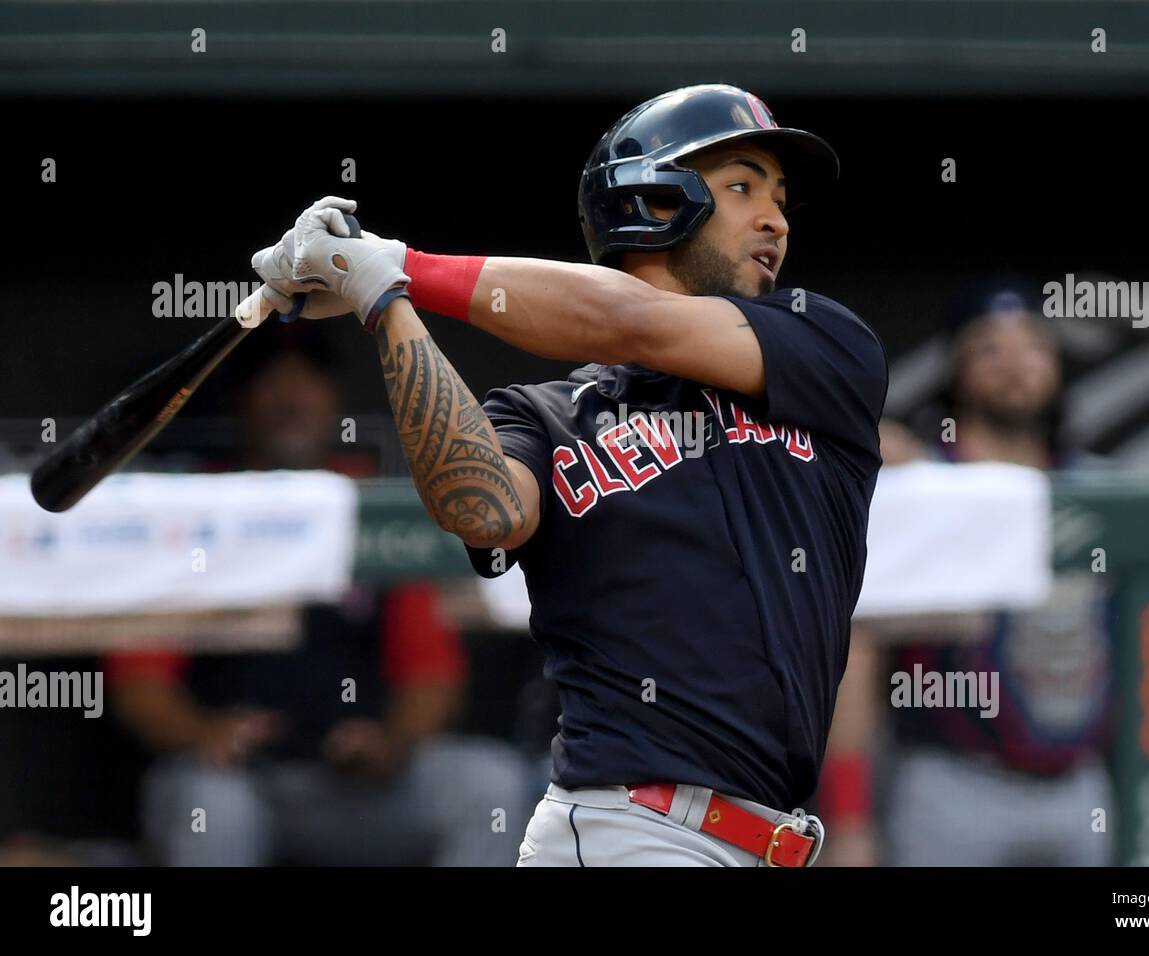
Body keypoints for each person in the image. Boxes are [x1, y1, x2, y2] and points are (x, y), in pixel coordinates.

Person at [248, 84, 889, 866]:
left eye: (781, 199)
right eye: (743, 187)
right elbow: (481, 509)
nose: (776, 220)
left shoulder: (823, 346)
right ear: (655, 202)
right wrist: (382, 301)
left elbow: (629, 320)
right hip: (630, 831)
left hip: (772, 838)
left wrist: (401, 268)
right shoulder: (548, 414)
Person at [107, 325, 532, 866]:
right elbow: (140, 683)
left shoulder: (370, 507)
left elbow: (431, 673)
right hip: (240, 781)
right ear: (239, 400)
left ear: (333, 397)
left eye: (307, 380)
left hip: (353, 787)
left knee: (487, 783)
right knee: (210, 808)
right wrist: (202, 732)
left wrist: (389, 742)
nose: (291, 398)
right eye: (271, 383)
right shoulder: (196, 508)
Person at [829, 280, 1115, 866]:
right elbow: (857, 648)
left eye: (1032, 346)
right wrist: (849, 819)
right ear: (955, 371)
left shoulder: (1099, 488)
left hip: (1080, 783)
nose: (1014, 364)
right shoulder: (923, 481)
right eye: (988, 348)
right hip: (950, 785)